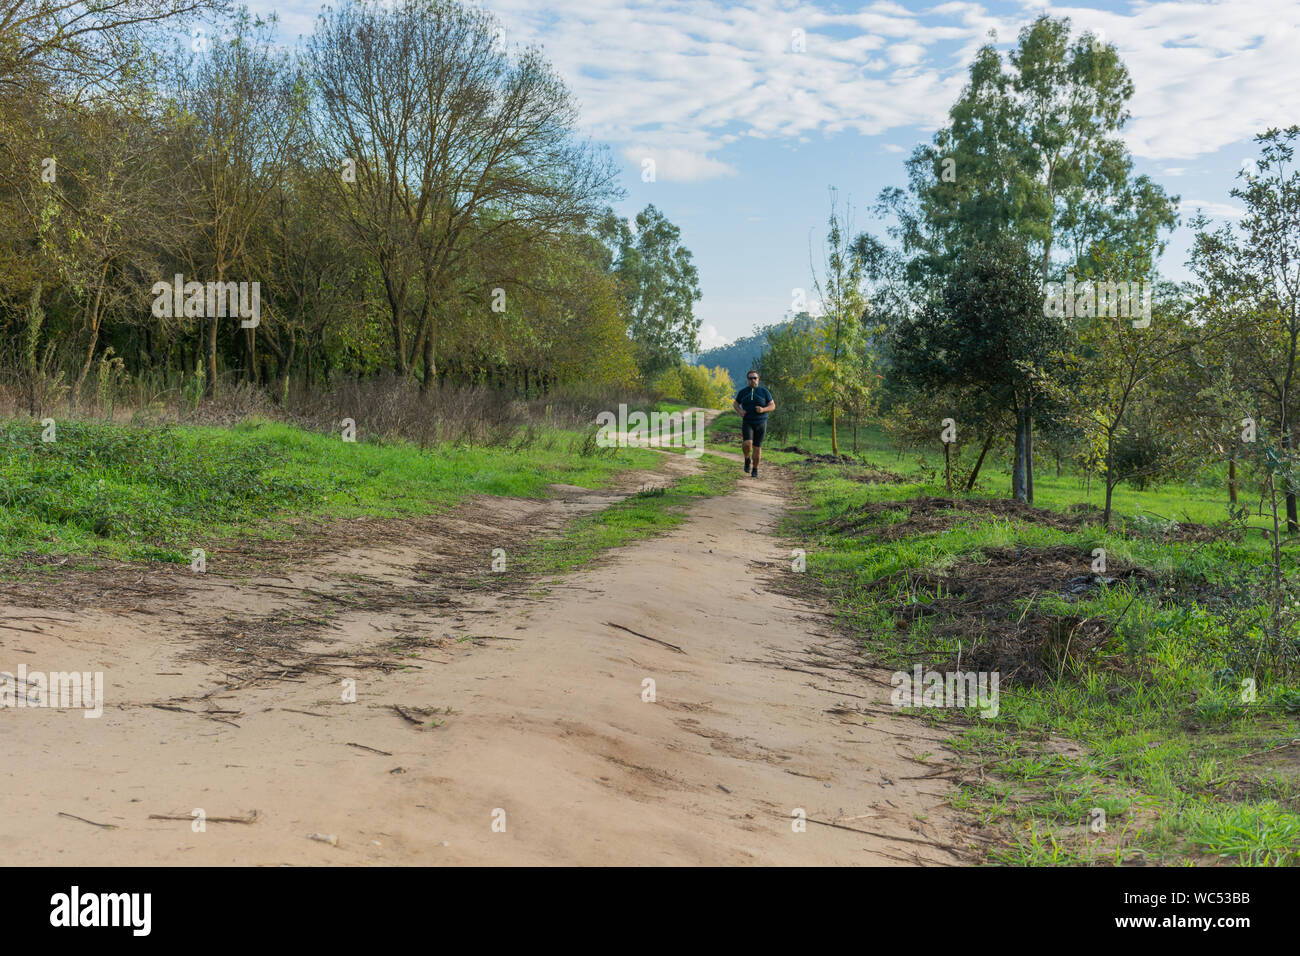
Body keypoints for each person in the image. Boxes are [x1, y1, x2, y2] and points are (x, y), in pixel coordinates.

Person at [733, 371, 775, 478]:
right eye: (750, 378)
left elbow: (772, 406)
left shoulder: (764, 392)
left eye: (755, 378)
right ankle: (747, 458)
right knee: (747, 444)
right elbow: (736, 403)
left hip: (761, 423)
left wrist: (763, 409)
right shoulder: (743, 392)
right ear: (748, 380)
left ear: (758, 379)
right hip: (748, 422)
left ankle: (755, 469)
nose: (753, 380)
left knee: (757, 448)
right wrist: (740, 411)